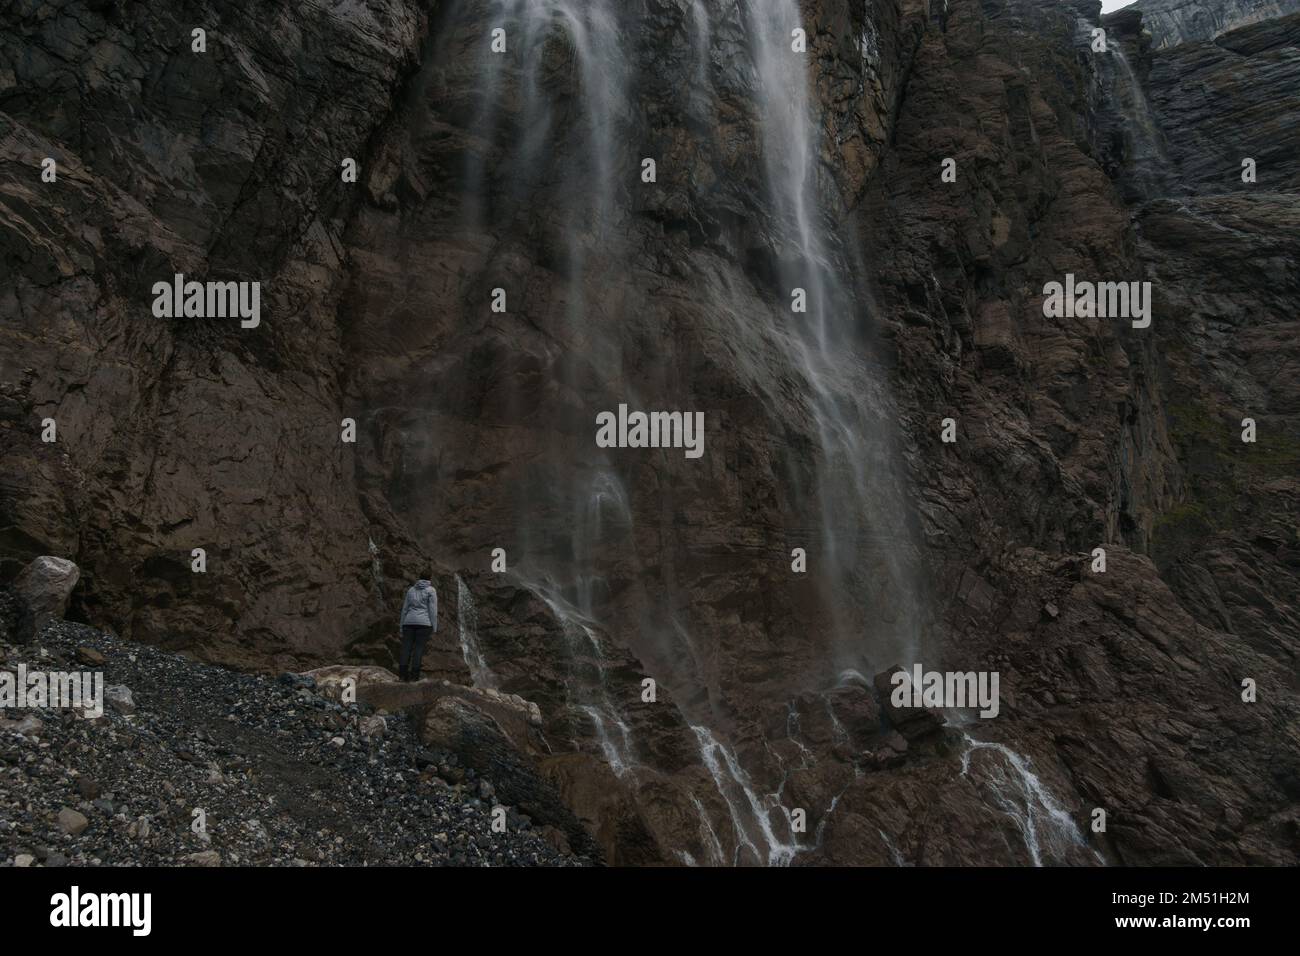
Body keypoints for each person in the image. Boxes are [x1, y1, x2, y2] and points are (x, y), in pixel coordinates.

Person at [398, 574, 438, 682]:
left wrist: (401, 626)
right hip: (424, 623)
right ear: (429, 578)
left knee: (406, 648)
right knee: (418, 649)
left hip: (408, 622)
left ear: (419, 578)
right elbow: (433, 610)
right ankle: (414, 677)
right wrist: (434, 627)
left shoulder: (411, 590)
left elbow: (405, 608)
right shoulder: (431, 590)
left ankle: (402, 676)